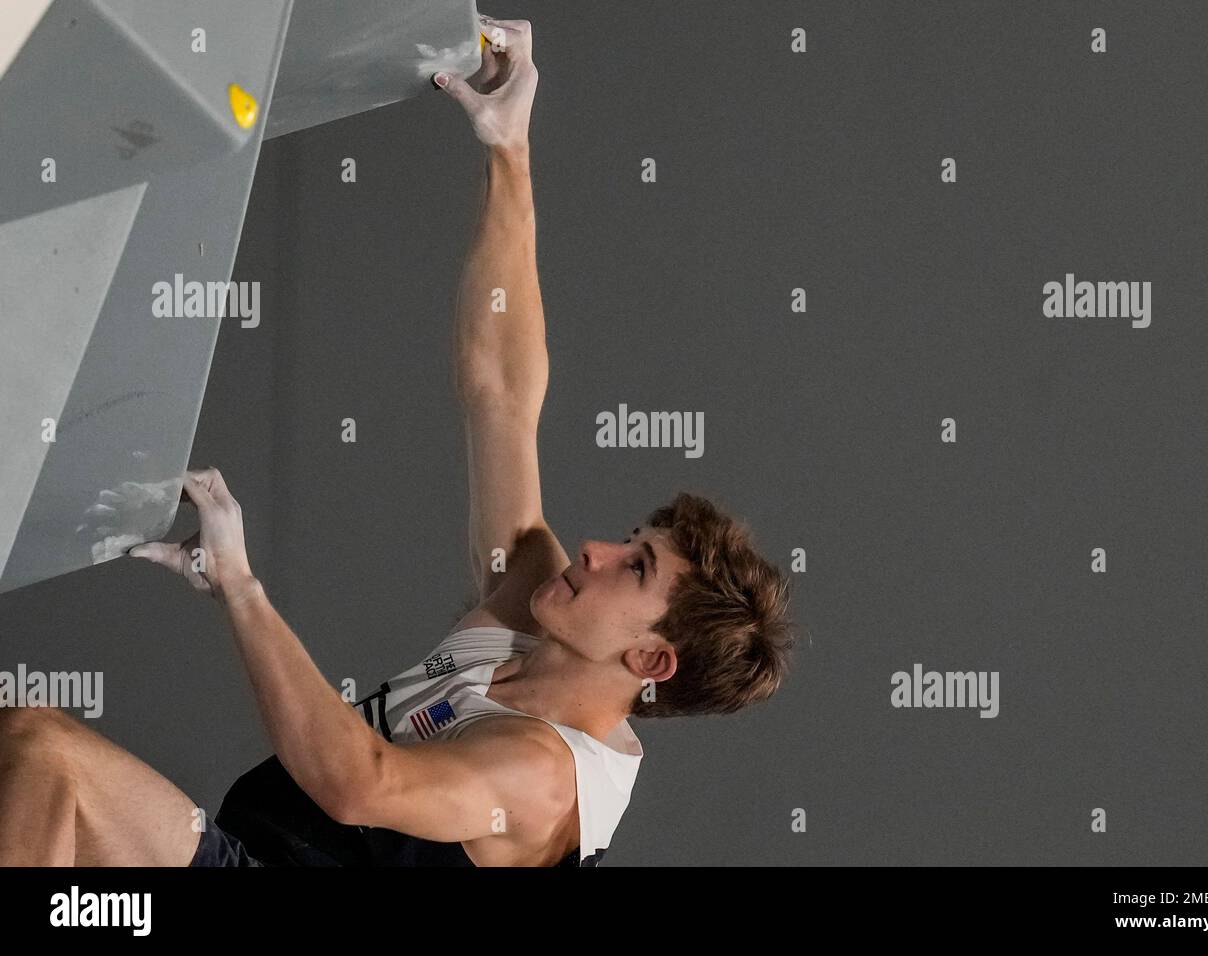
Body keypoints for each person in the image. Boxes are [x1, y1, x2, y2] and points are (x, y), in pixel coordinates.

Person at [0, 14, 795, 868]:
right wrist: (509, 150)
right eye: (629, 540)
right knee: (24, 764)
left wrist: (239, 586)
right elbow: (500, 396)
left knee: (48, 762)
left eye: (634, 569)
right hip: (237, 854)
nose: (597, 549)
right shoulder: (527, 608)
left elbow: (361, 783)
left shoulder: (542, 780)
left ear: (651, 657)